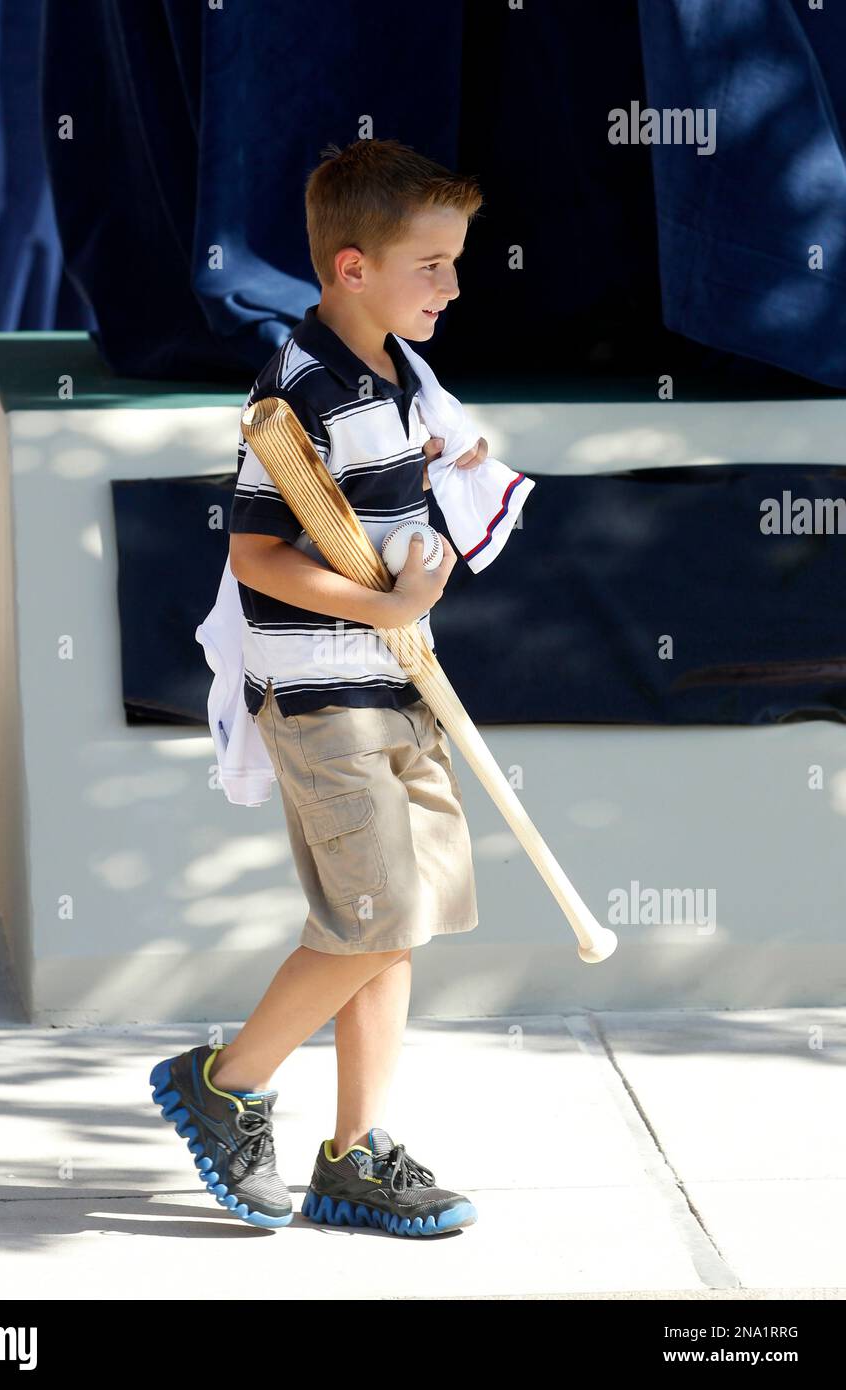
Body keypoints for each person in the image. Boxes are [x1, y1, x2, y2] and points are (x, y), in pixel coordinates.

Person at [151, 138, 488, 1236]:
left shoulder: (397, 378)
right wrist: (386, 609)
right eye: (429, 264)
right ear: (352, 268)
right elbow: (256, 555)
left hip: (394, 681)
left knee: (399, 919)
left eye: (452, 262)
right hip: (322, 689)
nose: (451, 284)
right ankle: (225, 1081)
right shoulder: (298, 386)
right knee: (373, 908)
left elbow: (384, 525)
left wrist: (426, 559)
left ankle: (352, 1153)